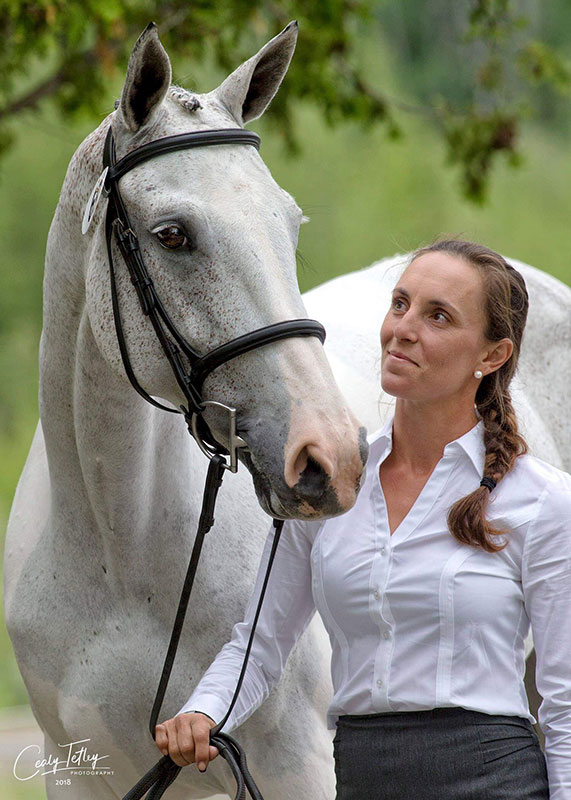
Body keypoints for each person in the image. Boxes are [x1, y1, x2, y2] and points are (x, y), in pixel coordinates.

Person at [154, 239, 571, 799]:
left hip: (493, 780)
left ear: (492, 356)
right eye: (400, 303)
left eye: (437, 316)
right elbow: (260, 643)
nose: (403, 328)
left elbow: (565, 702)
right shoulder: (327, 485)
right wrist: (204, 714)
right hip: (360, 779)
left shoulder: (542, 502)